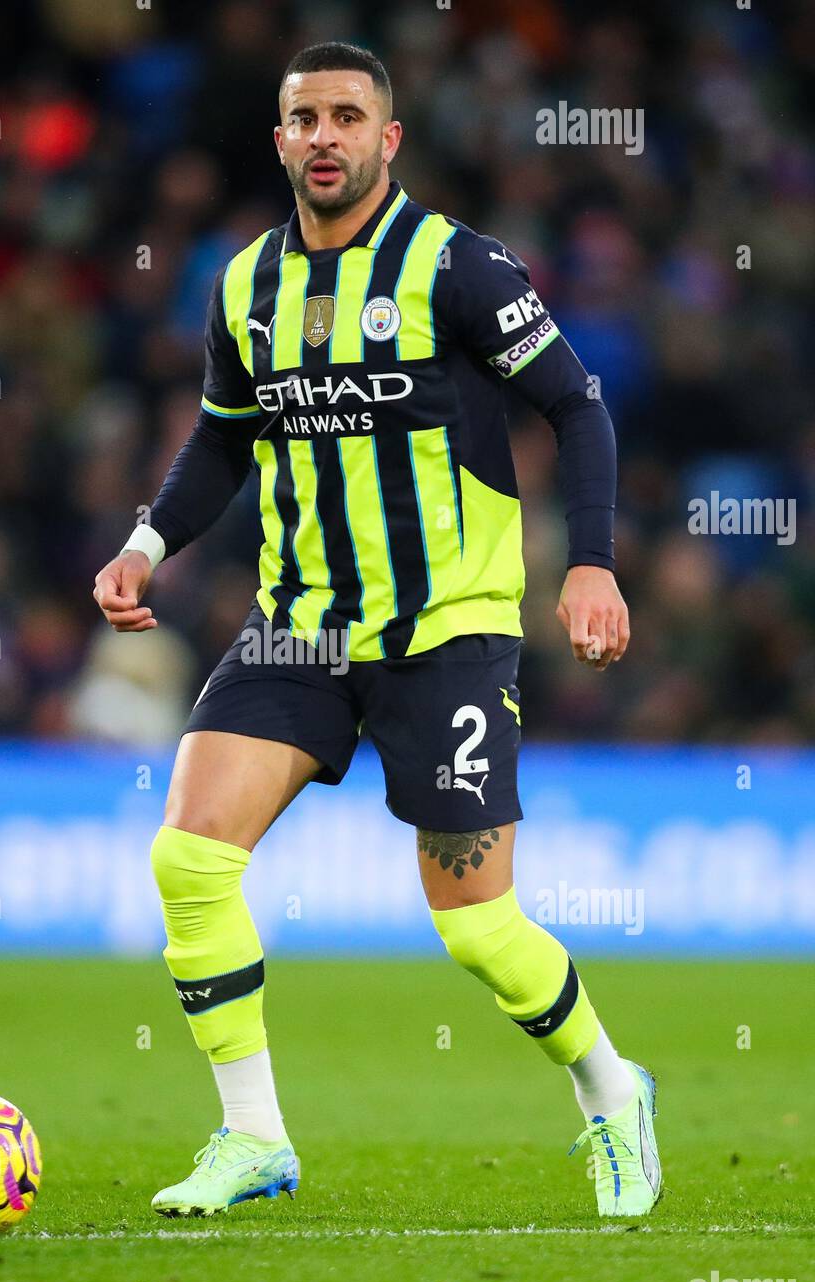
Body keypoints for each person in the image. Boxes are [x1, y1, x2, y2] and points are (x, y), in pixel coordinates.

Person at [93, 41, 661, 1220]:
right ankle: (252, 1135)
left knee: (479, 930)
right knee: (188, 856)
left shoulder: (457, 268)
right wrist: (147, 544)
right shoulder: (243, 281)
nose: (324, 136)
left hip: (446, 631)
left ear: (386, 139)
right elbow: (219, 438)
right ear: (280, 141)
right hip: (298, 625)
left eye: (348, 115)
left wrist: (592, 563)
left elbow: (575, 403)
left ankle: (612, 1090)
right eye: (303, 117)